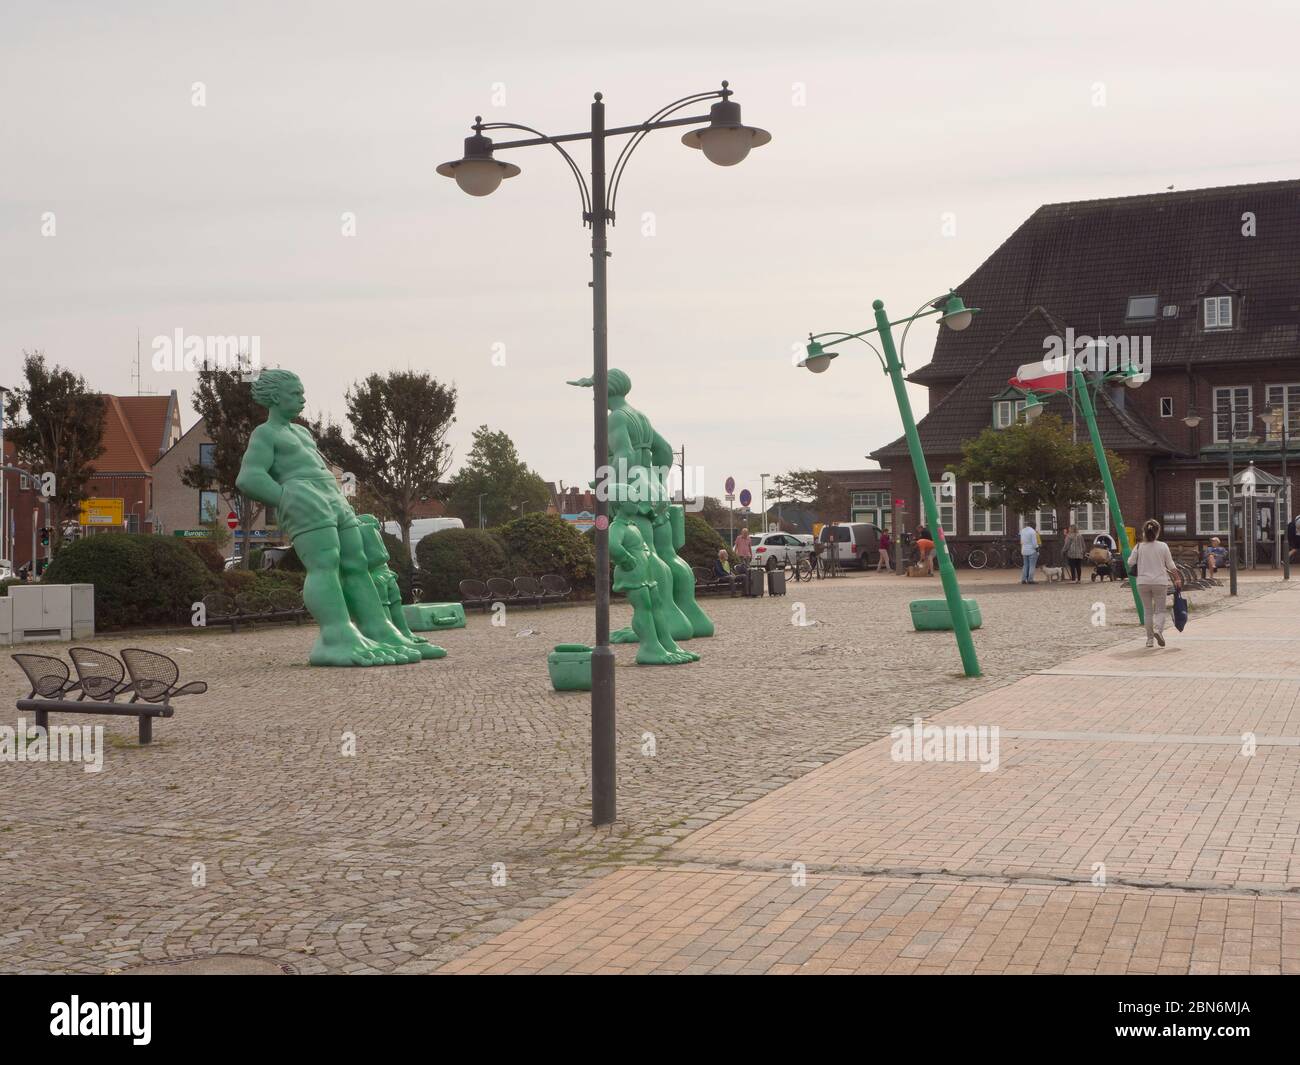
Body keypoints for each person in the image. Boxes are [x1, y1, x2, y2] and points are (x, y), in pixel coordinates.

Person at [1129, 519, 1181, 648]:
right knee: (1160, 610)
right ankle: (1159, 630)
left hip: (1142, 582)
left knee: (1147, 611)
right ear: (1158, 532)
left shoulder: (1139, 546)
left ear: (1144, 532)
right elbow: (1170, 564)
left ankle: (1149, 640)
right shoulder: (1163, 546)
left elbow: (1130, 562)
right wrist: (1177, 578)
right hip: (1160, 582)